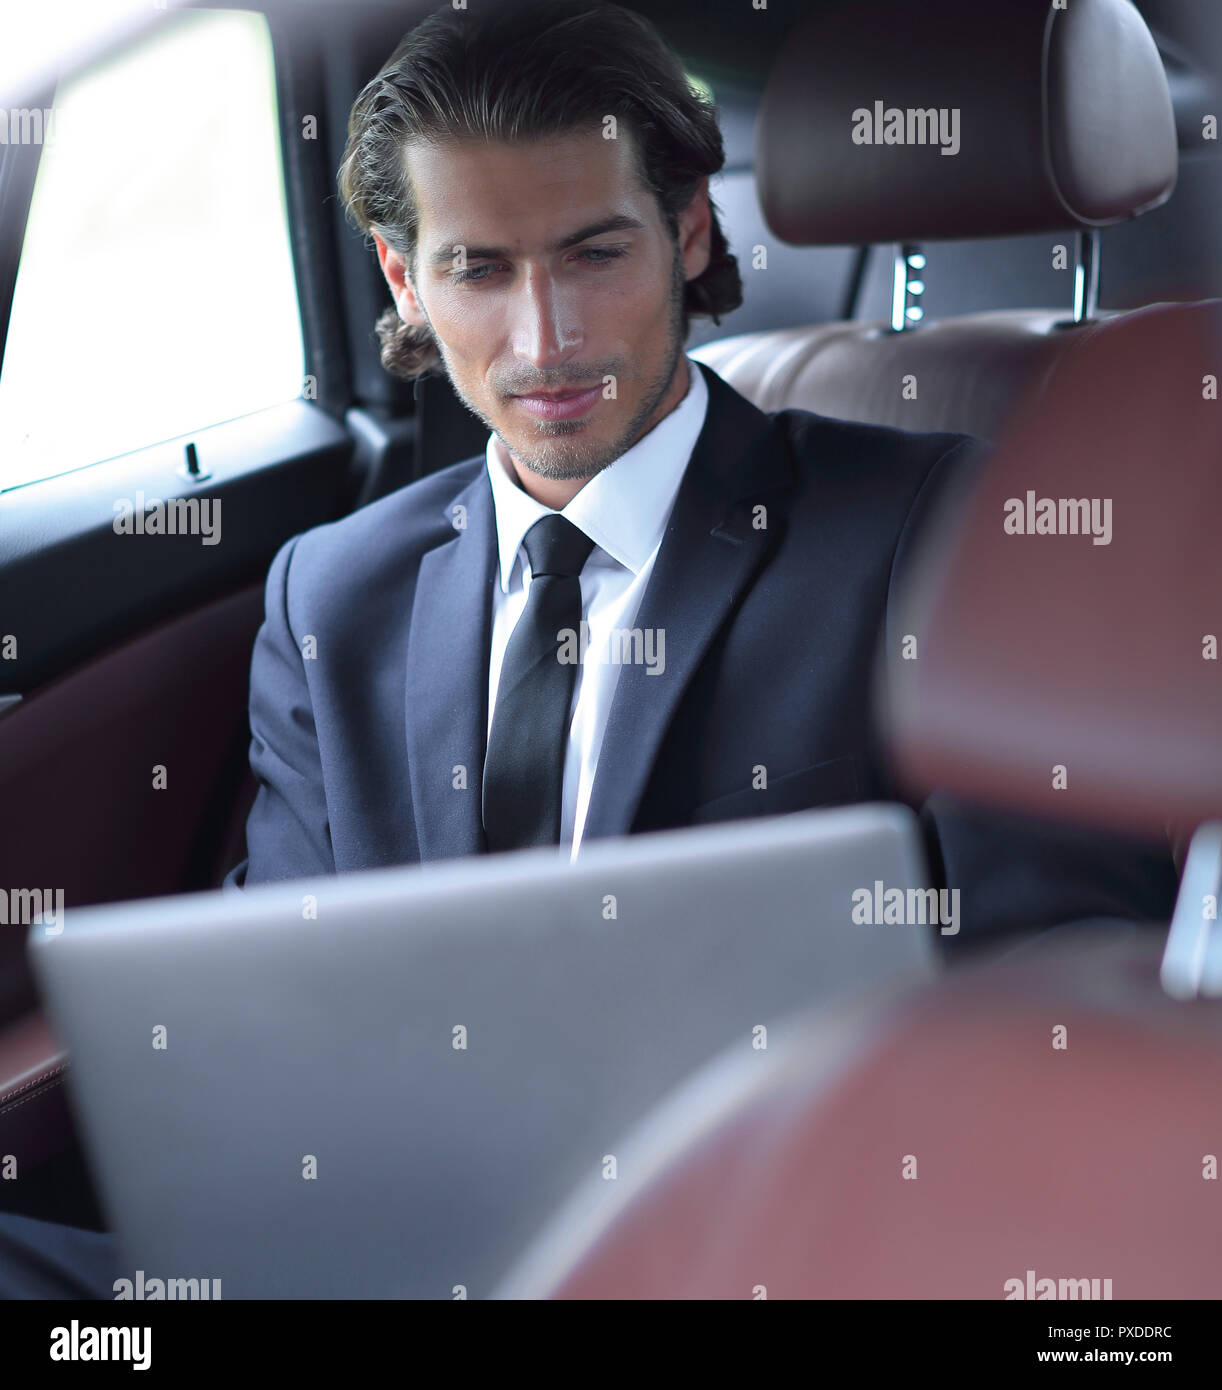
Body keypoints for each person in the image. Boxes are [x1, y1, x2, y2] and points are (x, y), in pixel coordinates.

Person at [2, 0, 1178, 1297]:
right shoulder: (330, 593)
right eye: (479, 270)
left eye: (593, 252)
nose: (544, 339)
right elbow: (291, 984)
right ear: (402, 278)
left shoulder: (938, 529)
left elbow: (1056, 996)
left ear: (686, 231)